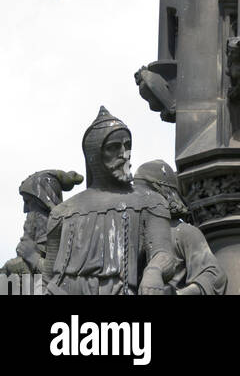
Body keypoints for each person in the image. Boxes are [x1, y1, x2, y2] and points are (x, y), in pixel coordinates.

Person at [43, 108, 174, 296]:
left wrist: (154, 271)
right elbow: (48, 275)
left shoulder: (150, 202)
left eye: (127, 145)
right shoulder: (62, 212)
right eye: (113, 147)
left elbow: (163, 254)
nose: (124, 153)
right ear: (94, 155)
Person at [133, 161, 227, 296]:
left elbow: (215, 276)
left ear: (163, 193)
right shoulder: (132, 231)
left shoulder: (184, 232)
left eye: (144, 192)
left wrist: (178, 294)